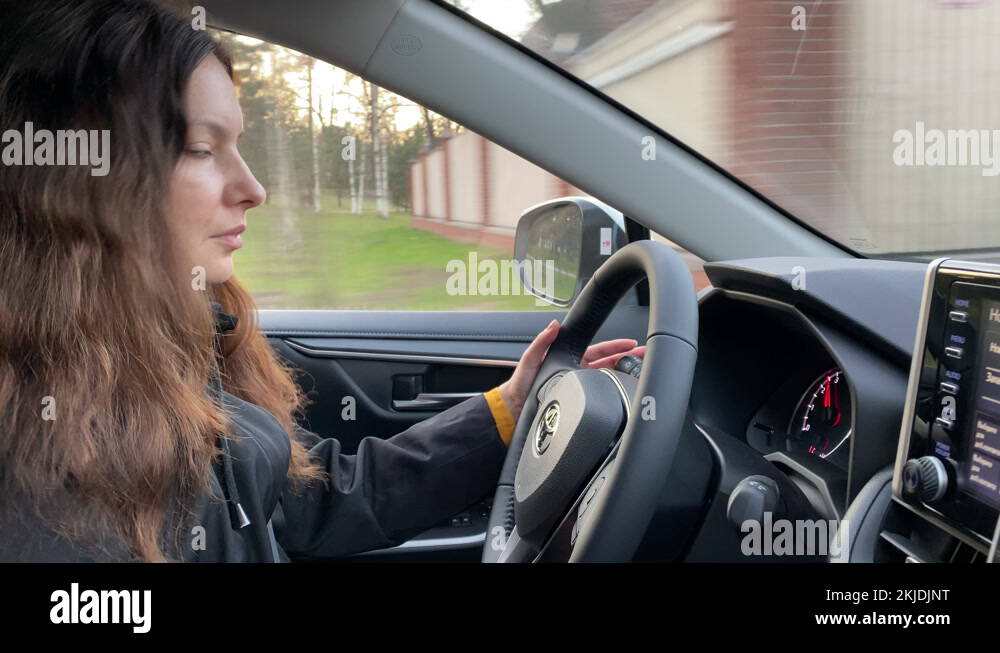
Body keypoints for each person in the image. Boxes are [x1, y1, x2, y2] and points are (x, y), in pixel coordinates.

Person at [0, 0, 645, 562]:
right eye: (202, 147)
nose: (254, 189)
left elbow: (315, 500)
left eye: (240, 144)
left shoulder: (184, 344)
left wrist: (508, 407)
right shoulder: (39, 470)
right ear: (87, 185)